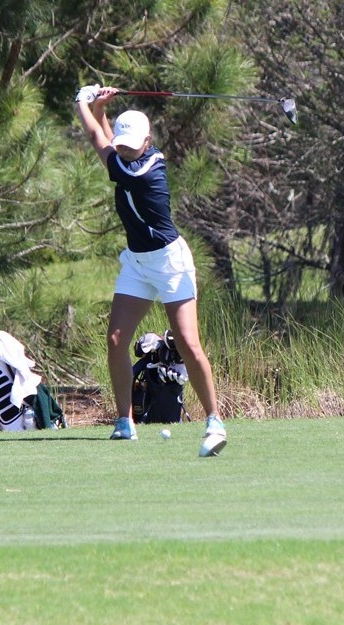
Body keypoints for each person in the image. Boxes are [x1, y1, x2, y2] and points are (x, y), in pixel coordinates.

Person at [73, 84, 228, 457]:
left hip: (170, 263)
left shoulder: (146, 170)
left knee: (188, 343)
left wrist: (83, 102)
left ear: (149, 141)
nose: (125, 148)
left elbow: (98, 138)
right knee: (115, 341)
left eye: (132, 144)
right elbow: (109, 138)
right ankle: (125, 422)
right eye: (123, 143)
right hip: (138, 262)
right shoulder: (128, 157)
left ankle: (214, 419)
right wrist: (103, 108)